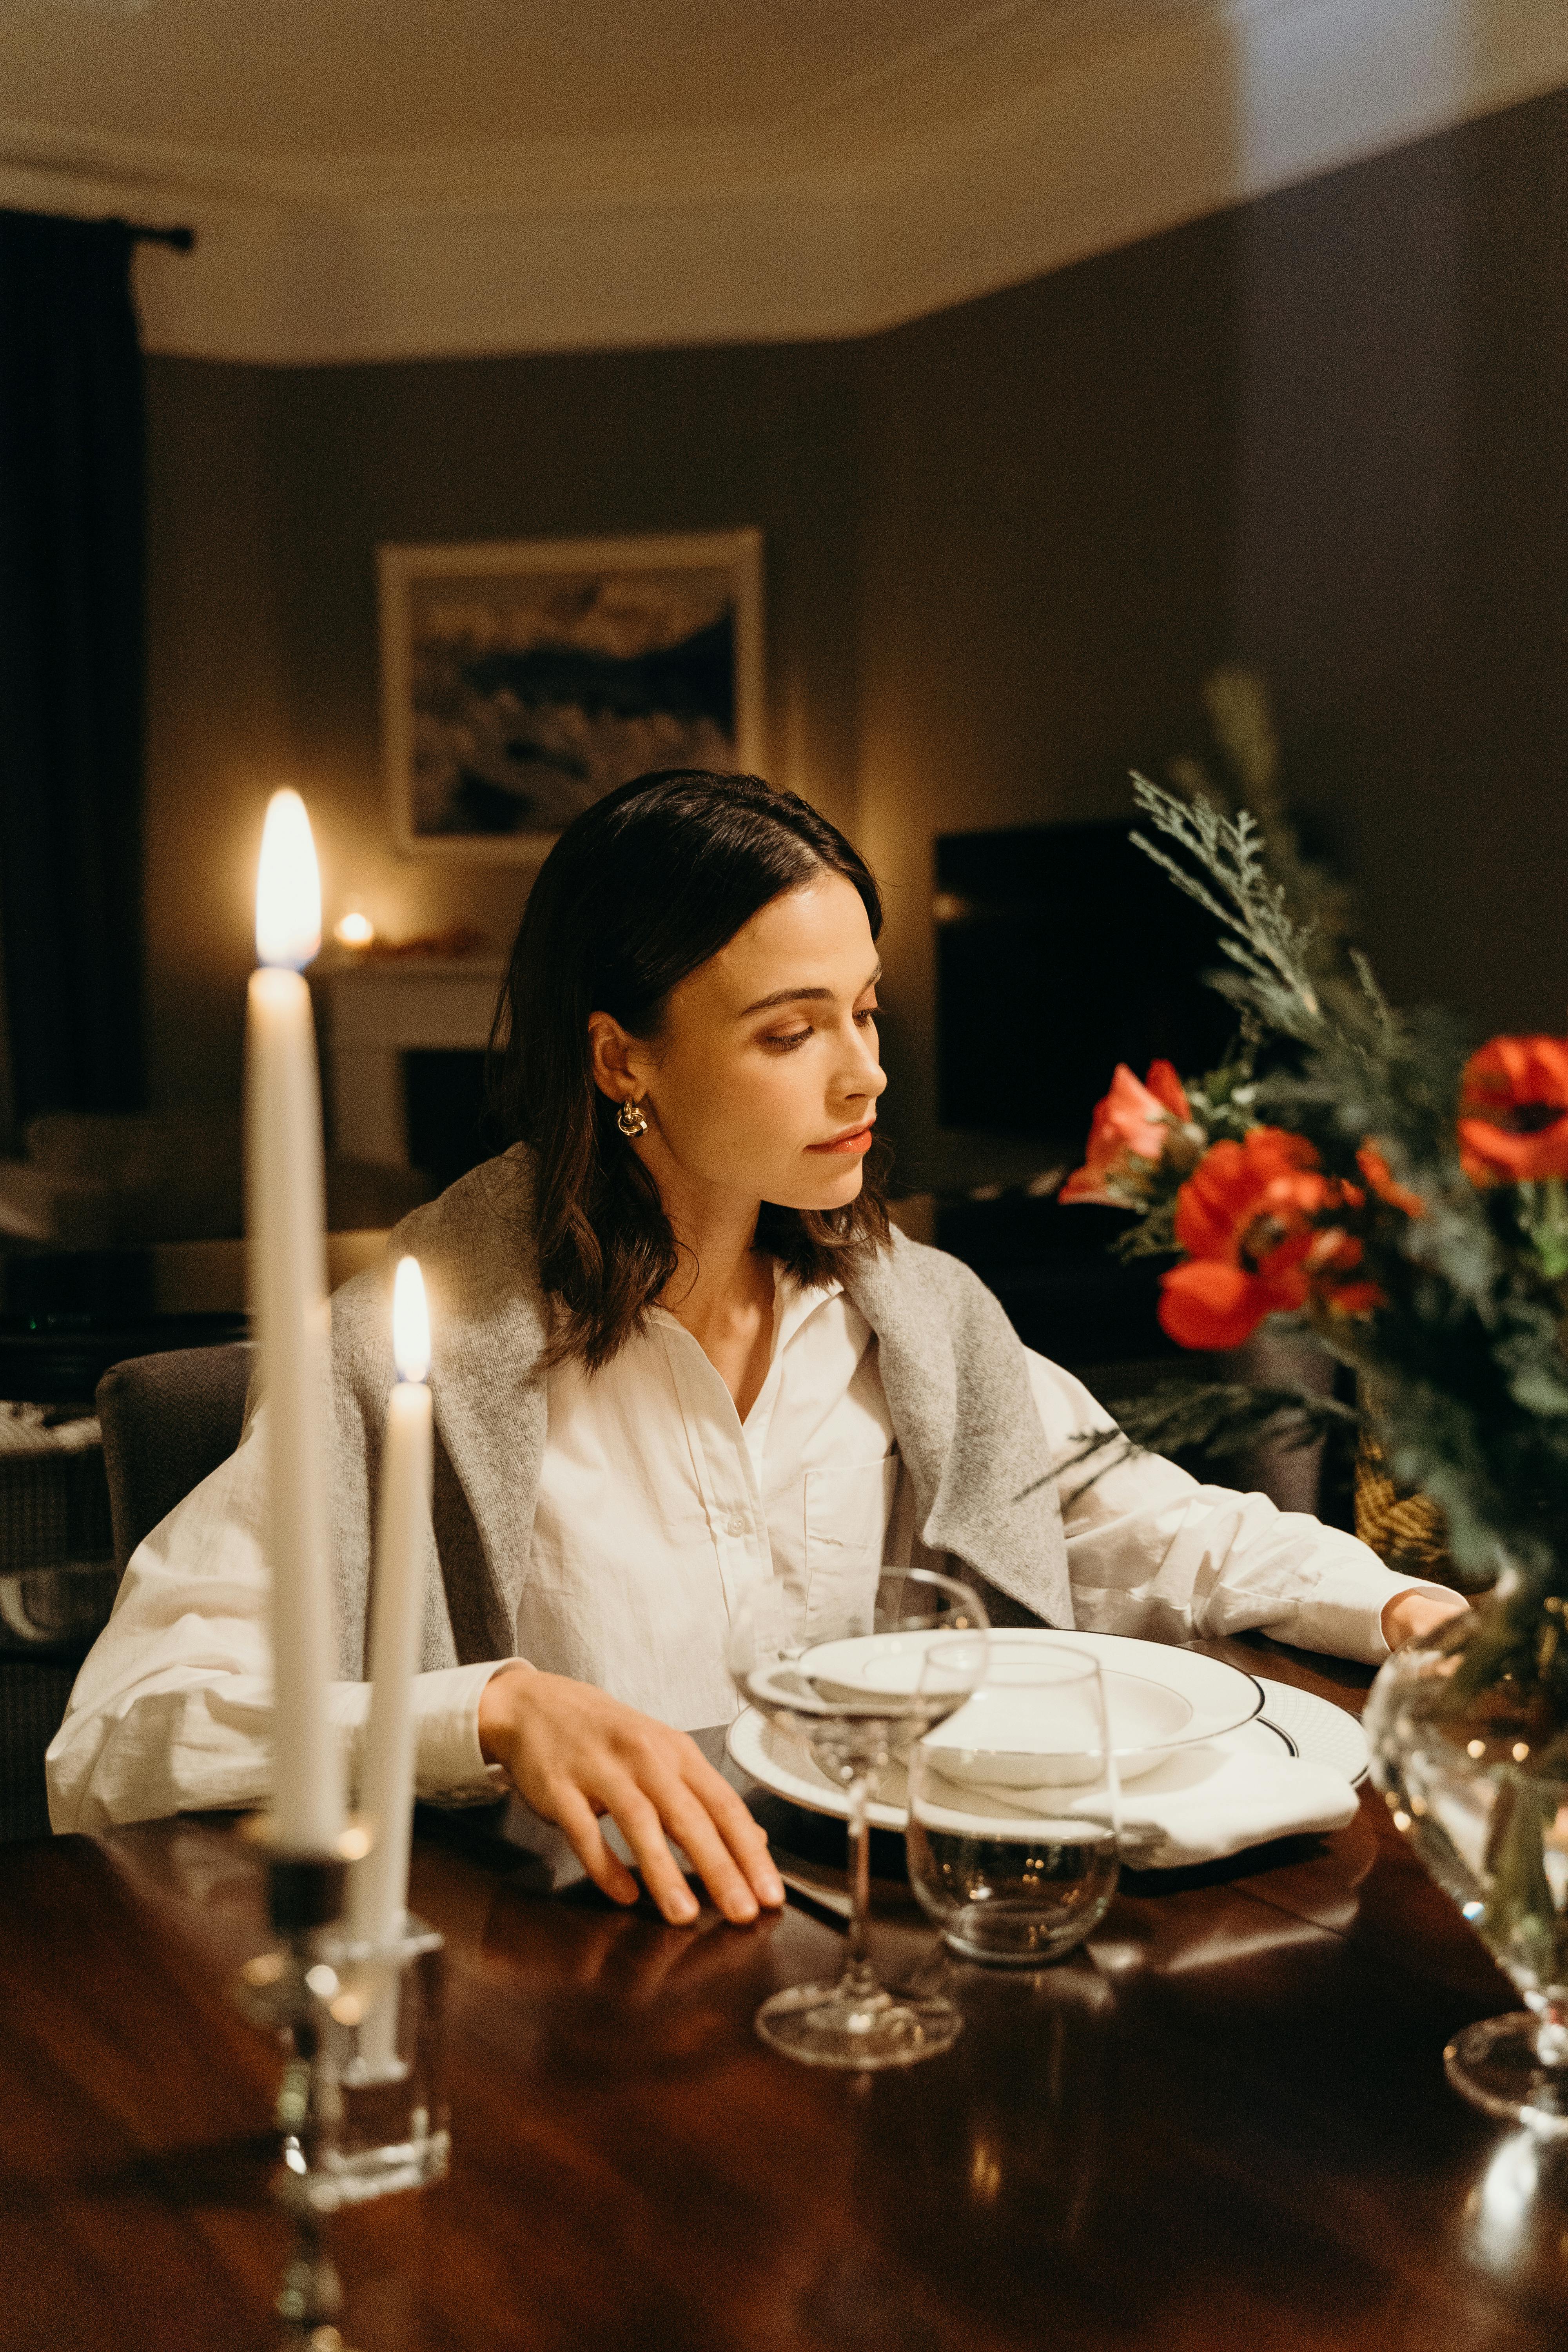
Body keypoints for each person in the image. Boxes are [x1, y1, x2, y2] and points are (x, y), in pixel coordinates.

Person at [48, 770, 1466, 1925]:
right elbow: (116, 1741)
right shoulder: (408, 1356)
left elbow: (1144, 1524)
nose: (867, 1073)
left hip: (899, 1955)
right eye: (792, 1033)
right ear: (623, 1059)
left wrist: (1403, 1610)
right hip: (577, 2002)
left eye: (866, 1011)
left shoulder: (915, 1318)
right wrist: (493, 1713)